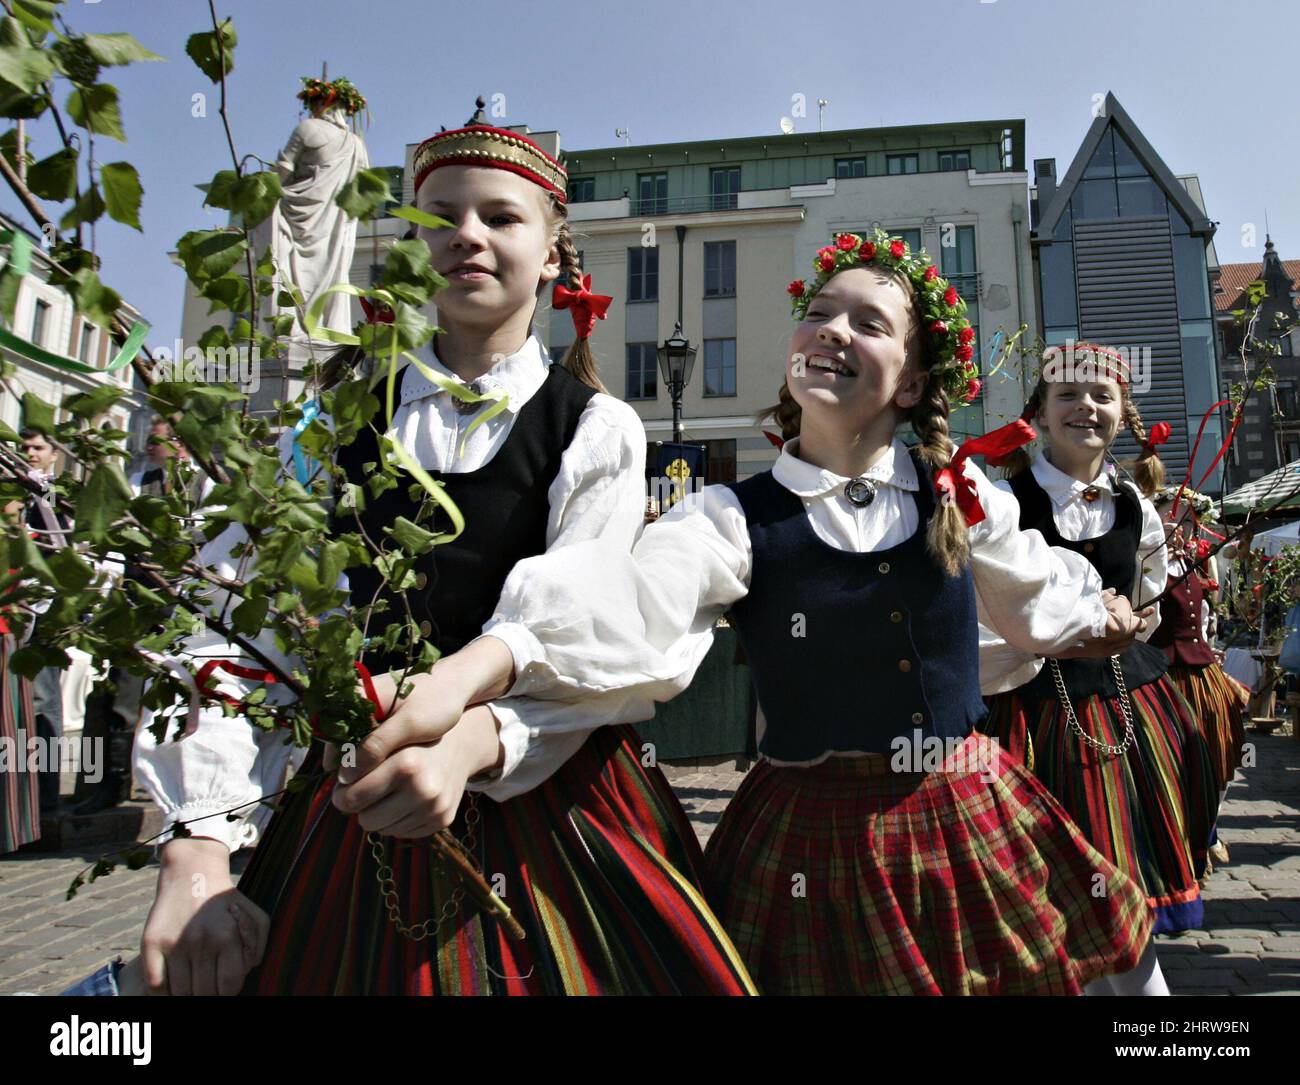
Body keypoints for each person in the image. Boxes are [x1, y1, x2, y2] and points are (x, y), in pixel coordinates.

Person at [400, 230, 1158, 995]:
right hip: (804, 834)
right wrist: (481, 675)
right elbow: (632, 607)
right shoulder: (732, 516)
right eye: (821, 312)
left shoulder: (957, 490)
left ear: (909, 382)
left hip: (958, 813)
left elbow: (1034, 597)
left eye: (869, 323)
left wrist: (1103, 619)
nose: (833, 328)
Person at [133, 120, 755, 996]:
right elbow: (243, 618)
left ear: (551, 256)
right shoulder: (334, 418)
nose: (467, 234)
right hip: (356, 796)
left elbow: (593, 629)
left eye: (502, 217)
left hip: (548, 801)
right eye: (440, 216)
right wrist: (196, 844)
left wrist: (473, 740)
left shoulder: (595, 427)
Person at [978, 347, 1219, 992]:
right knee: (1050, 888)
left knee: (1124, 882)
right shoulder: (1003, 504)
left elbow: (1146, 603)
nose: (1086, 406)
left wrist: (1129, 622)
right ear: (1038, 414)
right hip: (1033, 708)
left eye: (1103, 396)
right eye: (1068, 394)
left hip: (1131, 709)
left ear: (1123, 414)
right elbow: (982, 610)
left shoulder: (1137, 505)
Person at [1150, 487, 1246, 868]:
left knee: (1219, 749)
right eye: (1172, 520)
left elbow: (1202, 619)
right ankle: (1179, 834)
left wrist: (1210, 648)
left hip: (1202, 671)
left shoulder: (1195, 566)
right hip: (1164, 674)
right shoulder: (1147, 565)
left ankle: (1208, 827)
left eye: (1189, 523)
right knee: (1173, 759)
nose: (1182, 529)